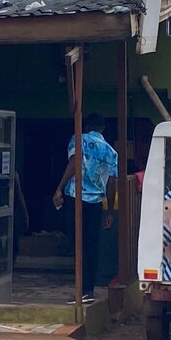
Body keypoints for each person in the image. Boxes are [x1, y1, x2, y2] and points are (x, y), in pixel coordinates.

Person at [52, 112, 118, 304]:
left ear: (87, 126)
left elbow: (74, 163)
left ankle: (79, 290)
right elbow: (111, 182)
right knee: (91, 246)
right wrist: (110, 211)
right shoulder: (110, 151)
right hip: (96, 203)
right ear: (103, 129)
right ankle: (88, 290)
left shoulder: (78, 140)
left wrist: (59, 188)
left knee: (77, 244)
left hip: (76, 198)